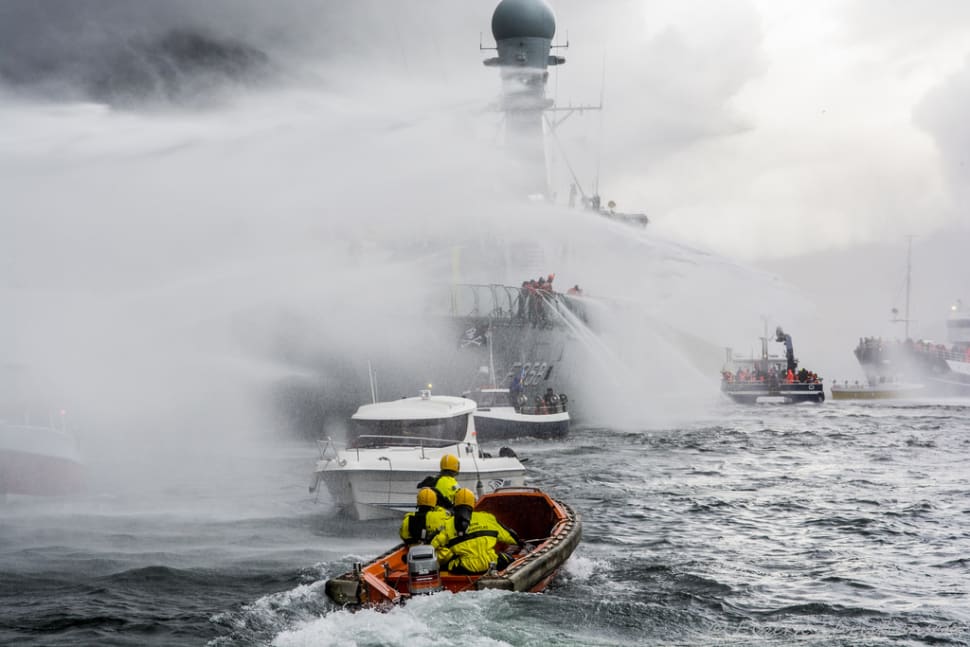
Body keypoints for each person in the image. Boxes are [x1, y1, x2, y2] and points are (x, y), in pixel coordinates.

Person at [432, 488, 527, 574]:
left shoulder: (447, 524)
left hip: (465, 568)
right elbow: (509, 536)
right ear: (473, 503)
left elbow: (433, 546)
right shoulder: (487, 518)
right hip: (490, 564)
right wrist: (521, 543)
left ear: (455, 503)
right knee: (507, 558)